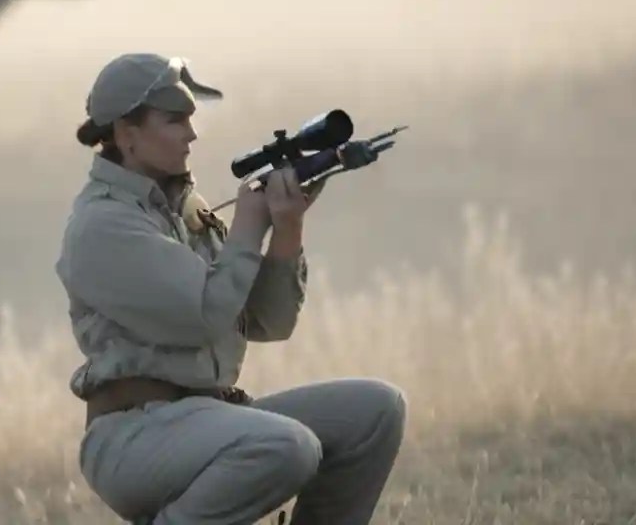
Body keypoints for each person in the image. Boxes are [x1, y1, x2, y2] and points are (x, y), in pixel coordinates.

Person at [55, 53, 407, 524]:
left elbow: (268, 322)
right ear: (126, 133)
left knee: (376, 411)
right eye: (174, 120)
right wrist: (245, 228)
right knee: (289, 447)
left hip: (205, 416)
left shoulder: (183, 207)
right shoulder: (103, 224)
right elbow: (205, 315)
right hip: (133, 436)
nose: (191, 134)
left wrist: (286, 228)